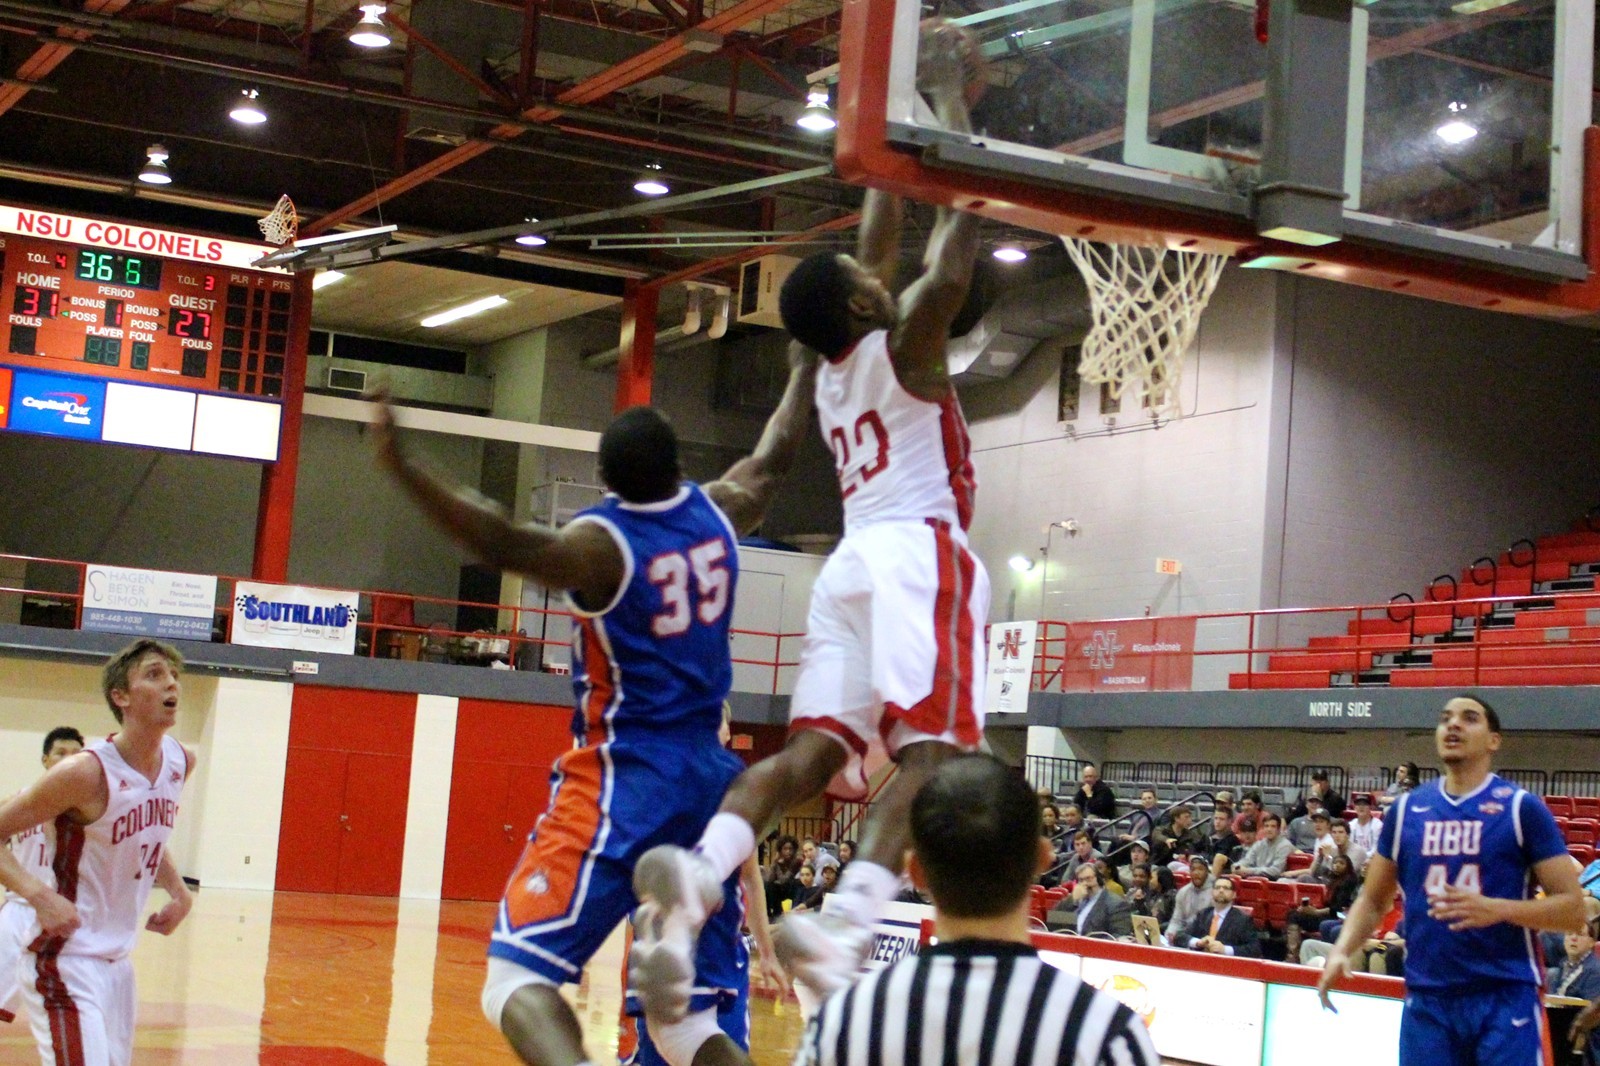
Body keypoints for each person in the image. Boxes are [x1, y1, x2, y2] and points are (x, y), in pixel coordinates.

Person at [630, 22, 992, 1029]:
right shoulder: (909, 343)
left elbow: (877, 235)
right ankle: (844, 923)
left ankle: (696, 883)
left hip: (846, 568)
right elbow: (953, 253)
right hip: (920, 553)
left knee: (807, 760)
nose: (873, 271)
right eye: (865, 277)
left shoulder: (829, 368)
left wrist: (891, 113)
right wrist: (959, 108)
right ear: (862, 302)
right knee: (932, 762)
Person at [371, 340, 819, 1066]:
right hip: (712, 785)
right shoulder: (720, 511)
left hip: (625, 777)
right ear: (677, 465)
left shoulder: (603, 546)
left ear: (607, 485)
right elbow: (771, 460)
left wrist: (404, 467)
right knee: (682, 1028)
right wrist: (802, 368)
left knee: (515, 977)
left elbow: (501, 537)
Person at [638, 754, 1158, 1065]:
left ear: (915, 873)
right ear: (1043, 862)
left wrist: (682, 1033)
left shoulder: (847, 1022)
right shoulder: (1109, 1034)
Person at [1317, 695, 1586, 1066]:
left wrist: (1498, 909)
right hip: (1428, 996)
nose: (1453, 725)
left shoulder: (1521, 808)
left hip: (1504, 994)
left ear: (1494, 740)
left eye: (1469, 718)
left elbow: (1574, 910)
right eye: (1445, 718)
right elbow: (1373, 900)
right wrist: (1342, 949)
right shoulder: (1408, 811)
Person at [0, 641, 194, 1066]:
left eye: (174, 675)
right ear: (120, 697)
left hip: (117, 966)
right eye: (155, 673)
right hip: (64, 959)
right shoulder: (85, 773)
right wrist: (38, 894)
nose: (172, 683)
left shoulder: (181, 760)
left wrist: (180, 893)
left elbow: (149, 834)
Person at [0, 726, 85, 1024]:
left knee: (71, 1005)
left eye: (76, 754)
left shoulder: (91, 812)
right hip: (21, 911)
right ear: (45, 760)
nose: (68, 759)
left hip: (66, 917)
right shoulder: (19, 802)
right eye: (60, 753)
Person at [1171, 875, 1261, 957]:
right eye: (1217, 888)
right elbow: (1180, 936)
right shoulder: (1204, 914)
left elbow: (1254, 950)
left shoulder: (1242, 920)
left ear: (1234, 894)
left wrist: (1225, 949)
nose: (1221, 891)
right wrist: (1198, 942)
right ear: (1212, 892)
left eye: (1226, 888)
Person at [1045, 862, 1133, 937]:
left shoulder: (1115, 904)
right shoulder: (1077, 901)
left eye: (1088, 878)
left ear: (1099, 879)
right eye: (1081, 880)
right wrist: (1071, 900)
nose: (1084, 883)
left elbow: (1119, 936)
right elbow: (1053, 923)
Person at [1166, 857, 1213, 941]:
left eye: (1200, 869)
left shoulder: (1215, 892)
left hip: (1205, 935)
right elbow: (1177, 919)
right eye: (1193, 869)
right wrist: (1171, 933)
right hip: (1184, 934)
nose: (1196, 873)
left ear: (1207, 872)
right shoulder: (1183, 892)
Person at [1234, 813, 1292, 879]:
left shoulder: (1285, 845)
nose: (1269, 829)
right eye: (1266, 826)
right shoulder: (1259, 844)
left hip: (1274, 881)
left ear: (1278, 829)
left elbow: (1276, 871)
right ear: (1263, 828)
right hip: (1256, 878)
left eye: (1273, 826)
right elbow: (1247, 860)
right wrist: (1236, 867)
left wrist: (1249, 871)